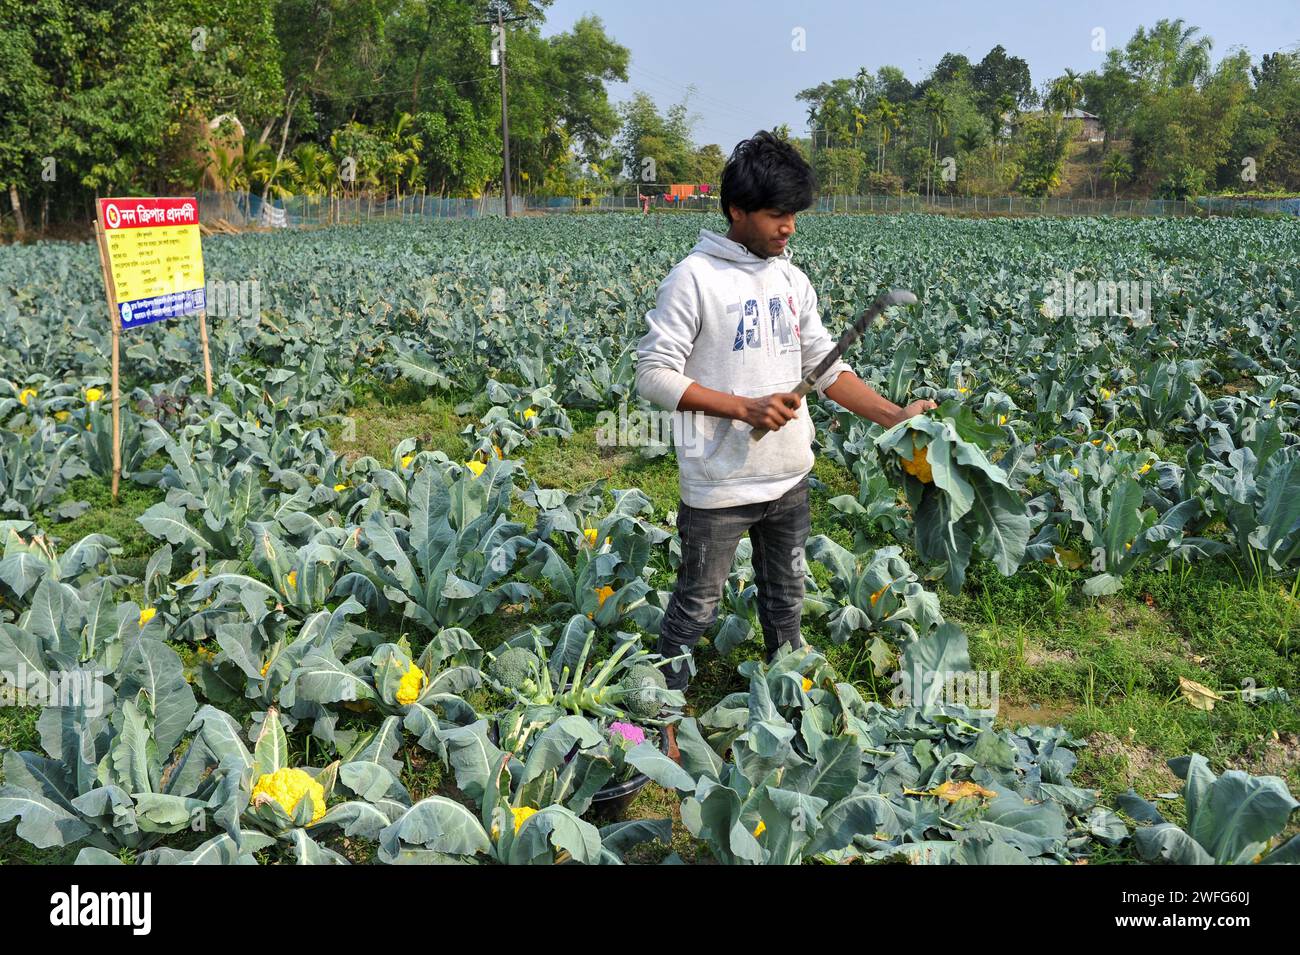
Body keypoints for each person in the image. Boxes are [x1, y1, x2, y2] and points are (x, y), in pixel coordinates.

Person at [635, 130, 935, 695]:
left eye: (794, 214)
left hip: (789, 477)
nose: (789, 227)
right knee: (696, 608)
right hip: (719, 485)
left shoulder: (792, 280)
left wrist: (895, 417)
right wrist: (742, 407)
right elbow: (652, 375)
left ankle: (787, 699)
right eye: (777, 215)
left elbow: (825, 366)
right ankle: (655, 711)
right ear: (737, 210)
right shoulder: (693, 280)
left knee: (787, 603)